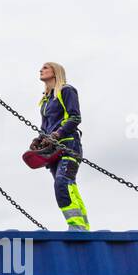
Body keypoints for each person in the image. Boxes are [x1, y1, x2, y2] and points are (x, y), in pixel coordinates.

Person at [38, 62, 90, 231]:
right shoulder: (46, 100)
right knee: (69, 185)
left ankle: (76, 227)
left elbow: (75, 117)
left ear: (56, 71)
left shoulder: (67, 90)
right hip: (52, 150)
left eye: (45, 67)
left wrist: (57, 134)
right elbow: (45, 126)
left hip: (69, 145)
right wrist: (39, 140)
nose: (41, 70)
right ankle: (83, 226)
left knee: (62, 182)